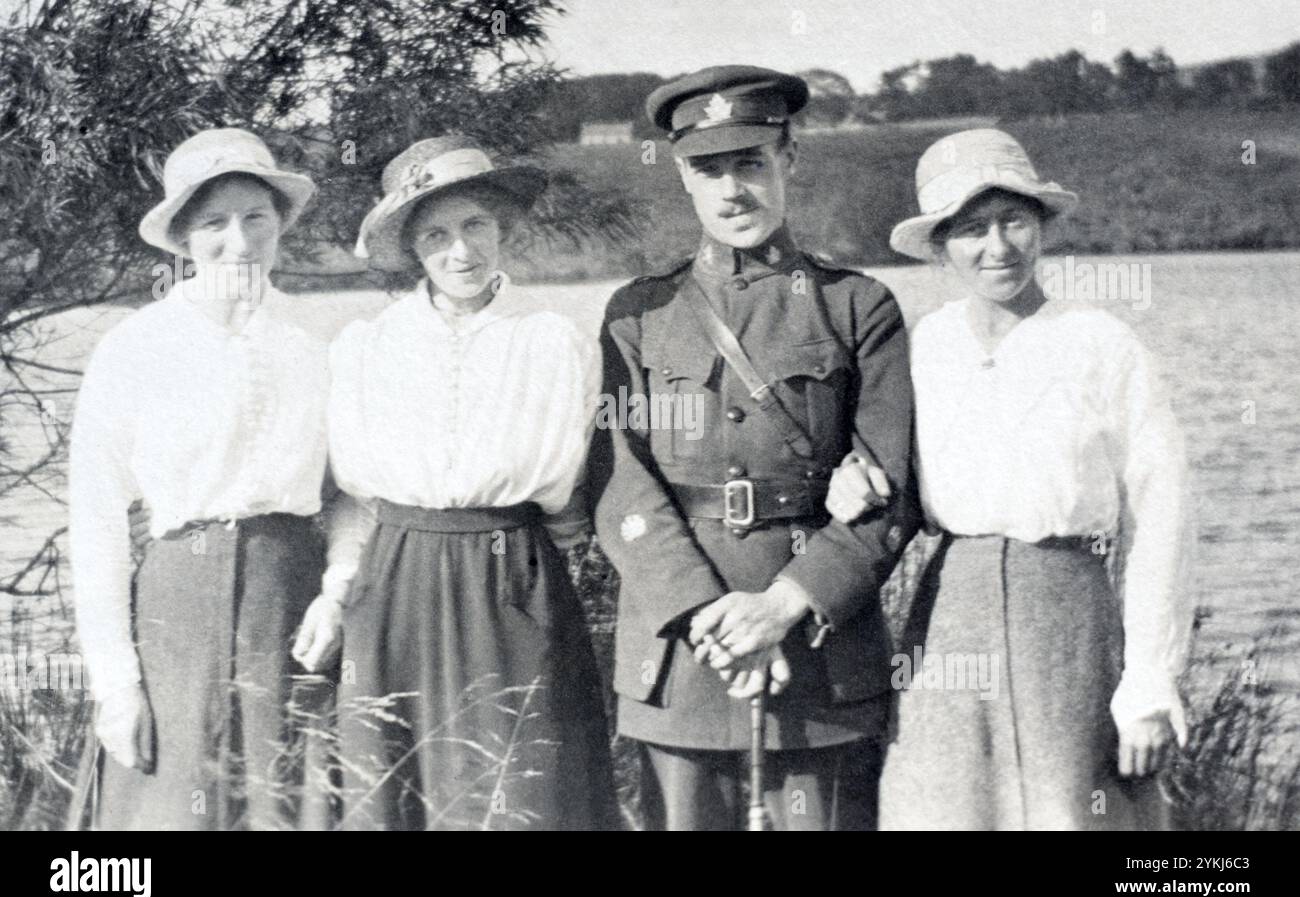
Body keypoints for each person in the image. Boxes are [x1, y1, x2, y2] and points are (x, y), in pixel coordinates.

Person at [825, 128, 1194, 830]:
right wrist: (849, 477)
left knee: (1075, 811)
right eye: (970, 229)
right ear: (940, 246)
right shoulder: (924, 347)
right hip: (948, 622)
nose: (997, 247)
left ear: (1042, 227)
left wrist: (1150, 679)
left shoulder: (1100, 343)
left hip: (1069, 617)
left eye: (1013, 220)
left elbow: (1162, 514)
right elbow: (879, 464)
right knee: (939, 809)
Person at [588, 66, 921, 831]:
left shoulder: (858, 306)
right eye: (710, 169)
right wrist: (709, 617)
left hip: (817, 653)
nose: (733, 189)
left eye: (751, 163)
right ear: (682, 177)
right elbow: (618, 485)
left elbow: (891, 488)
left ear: (789, 160)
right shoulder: (638, 314)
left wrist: (781, 606)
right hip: (683, 654)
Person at [325, 135, 618, 830]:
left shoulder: (555, 341)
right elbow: (351, 500)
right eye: (437, 234)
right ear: (412, 249)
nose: (462, 252)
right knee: (399, 786)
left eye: (475, 226)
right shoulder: (366, 347)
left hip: (515, 579)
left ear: (502, 227)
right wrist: (341, 589)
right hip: (396, 582)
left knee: (524, 790)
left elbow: (575, 500)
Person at [69, 127, 354, 830]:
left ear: (280, 223)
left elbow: (353, 492)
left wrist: (337, 593)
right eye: (214, 222)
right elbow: (97, 521)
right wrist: (117, 682)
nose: (240, 241)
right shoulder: (134, 348)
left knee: (290, 808)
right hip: (174, 612)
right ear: (183, 240)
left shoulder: (319, 343)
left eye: (256, 217)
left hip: (289, 603)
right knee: (167, 812)